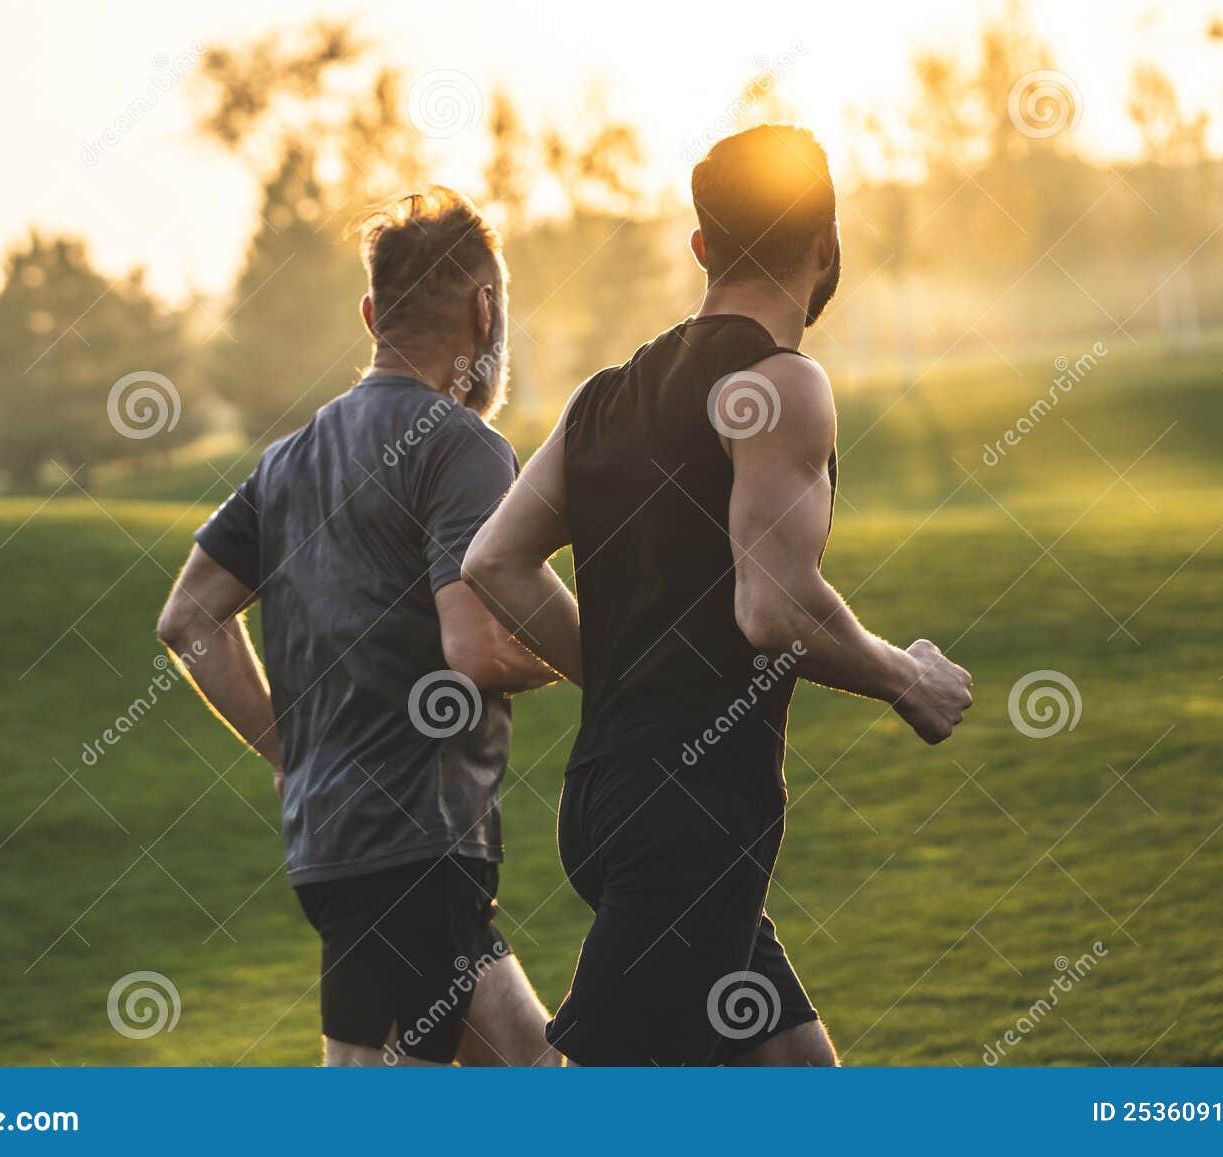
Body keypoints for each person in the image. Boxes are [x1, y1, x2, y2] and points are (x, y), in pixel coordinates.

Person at [461, 125, 974, 1066]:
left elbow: (494, 560)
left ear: (702, 249)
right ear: (827, 244)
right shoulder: (783, 385)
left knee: (796, 1074)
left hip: (609, 799)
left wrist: (614, 678)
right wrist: (909, 679)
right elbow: (772, 608)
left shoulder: (601, 399)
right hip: (689, 821)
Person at [156, 188, 561, 1067]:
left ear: (373, 313)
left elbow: (187, 618)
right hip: (421, 835)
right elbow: (478, 645)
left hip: (329, 843)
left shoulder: (285, 462)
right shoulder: (461, 445)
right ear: (483, 310)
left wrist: (289, 753)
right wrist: (579, 657)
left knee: (527, 1064)